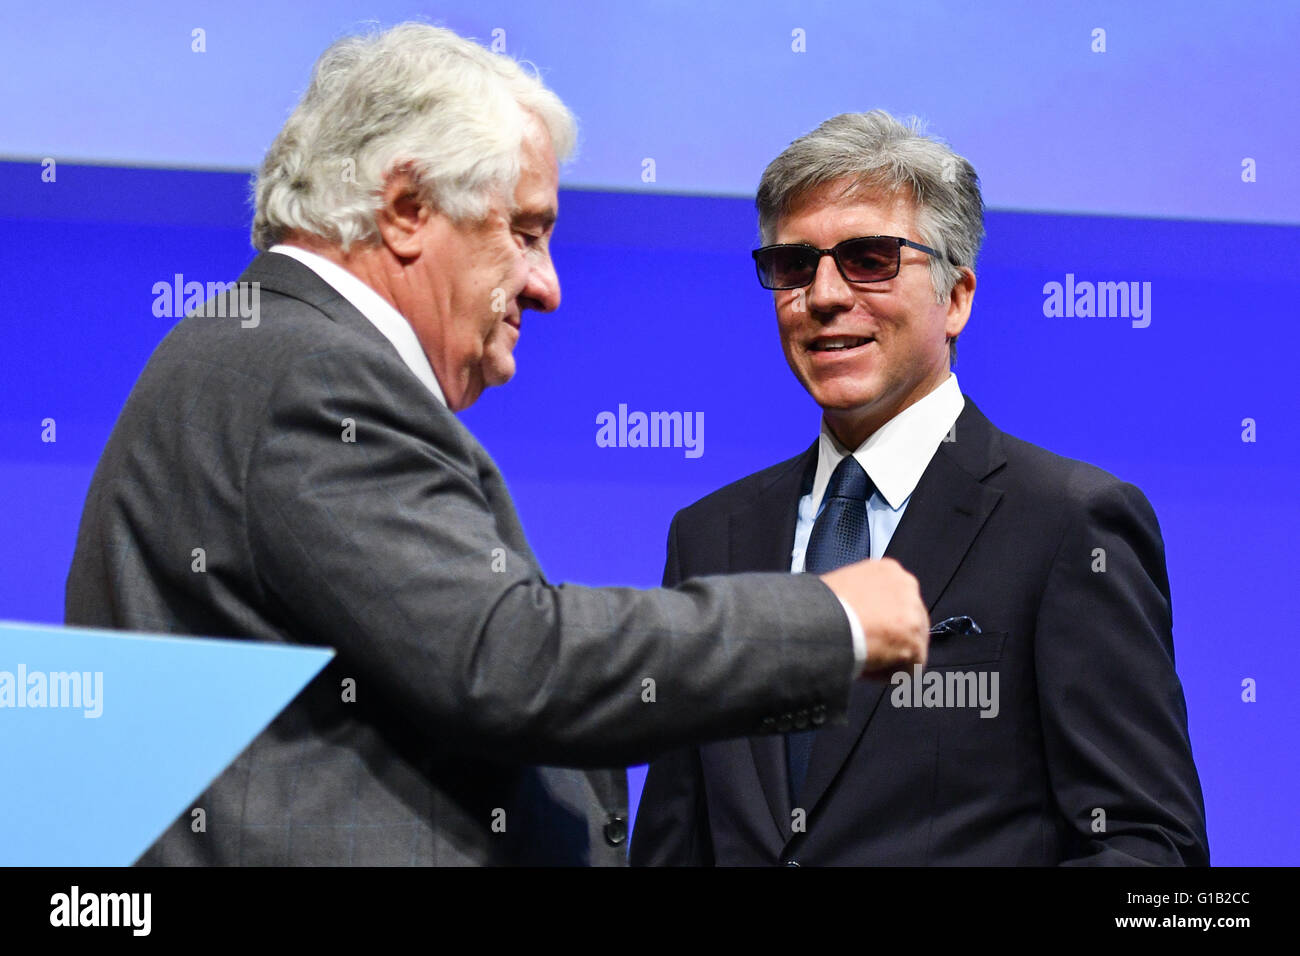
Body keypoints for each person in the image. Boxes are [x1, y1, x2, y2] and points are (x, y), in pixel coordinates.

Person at [64, 27, 931, 866]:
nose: (547, 286)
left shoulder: (260, 351)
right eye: (525, 230)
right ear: (407, 208)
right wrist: (833, 621)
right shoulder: (312, 375)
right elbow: (509, 660)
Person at [630, 110, 1209, 866]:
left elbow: (1147, 848)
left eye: (869, 258)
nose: (825, 294)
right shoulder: (709, 534)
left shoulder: (1070, 523)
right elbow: (675, 846)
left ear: (957, 297)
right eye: (795, 265)